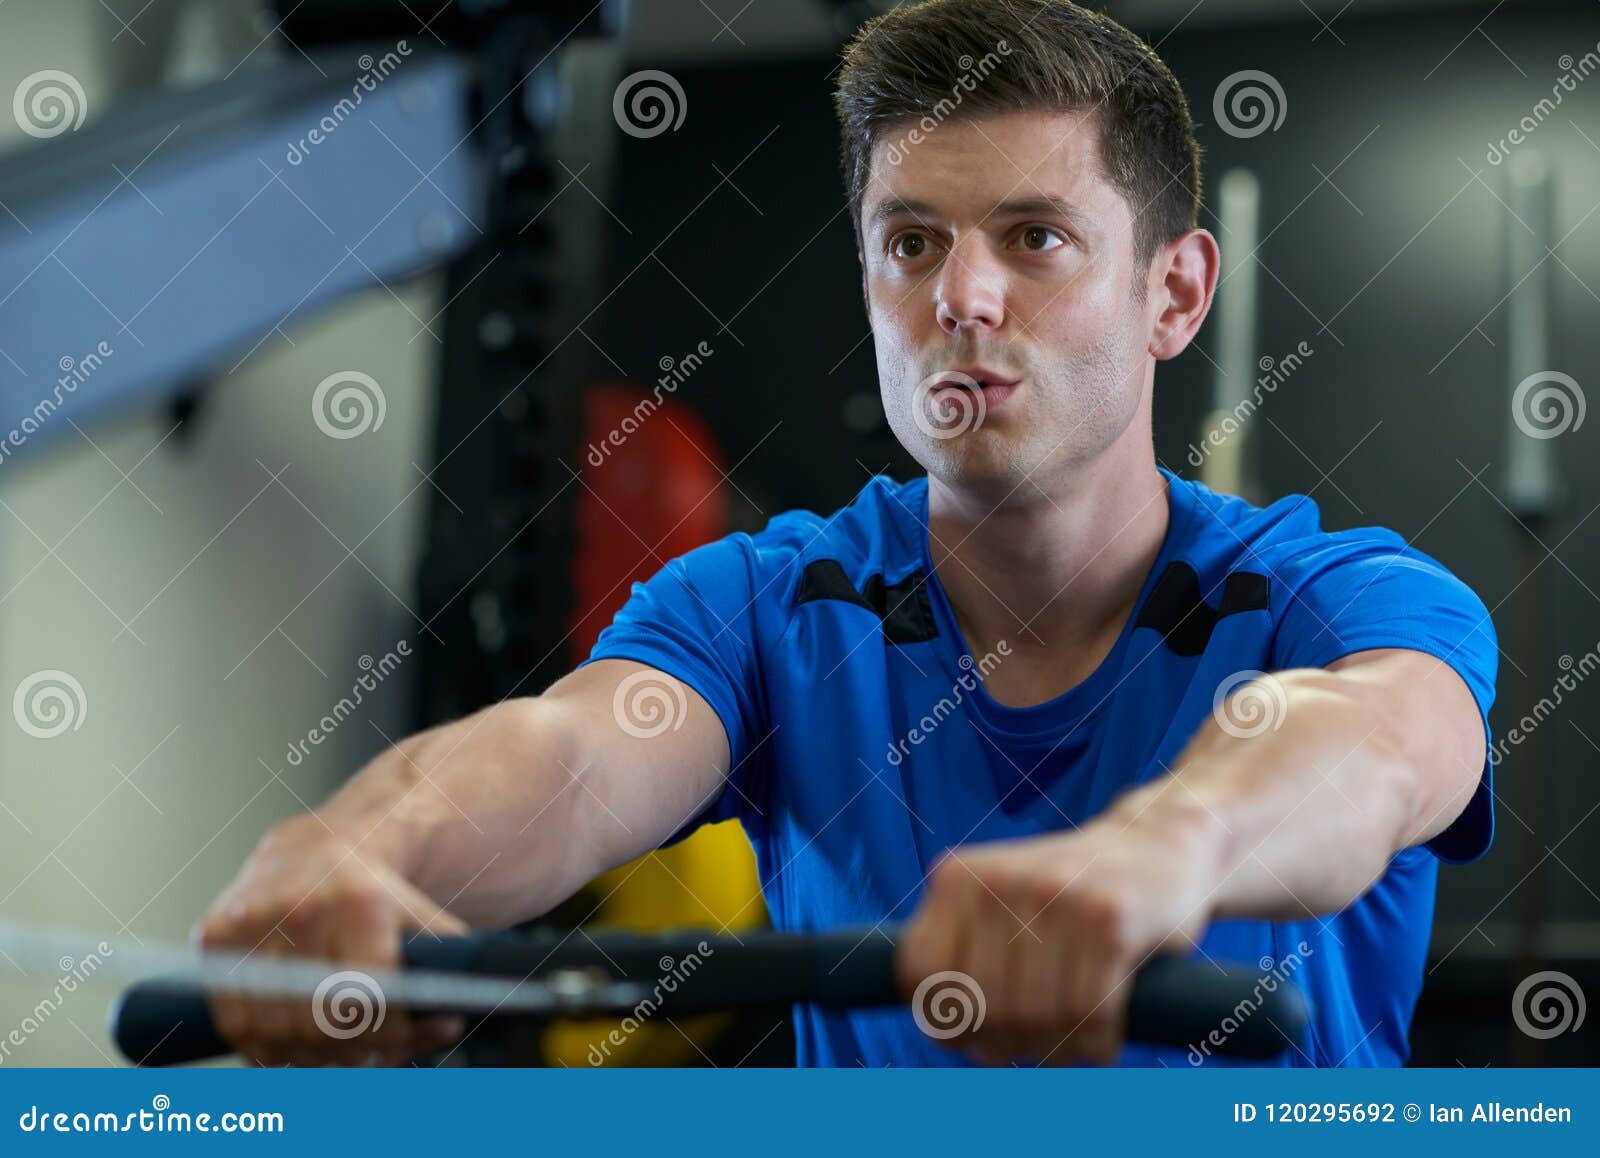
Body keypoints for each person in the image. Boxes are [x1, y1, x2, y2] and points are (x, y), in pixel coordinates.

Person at [199, 0, 1497, 1068]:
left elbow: (1373, 743)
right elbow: (571, 752)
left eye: (1035, 237)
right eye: (912, 240)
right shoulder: (769, 608)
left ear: (1174, 291)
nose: (961, 295)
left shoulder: (1339, 596)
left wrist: (1166, 849)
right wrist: (357, 850)